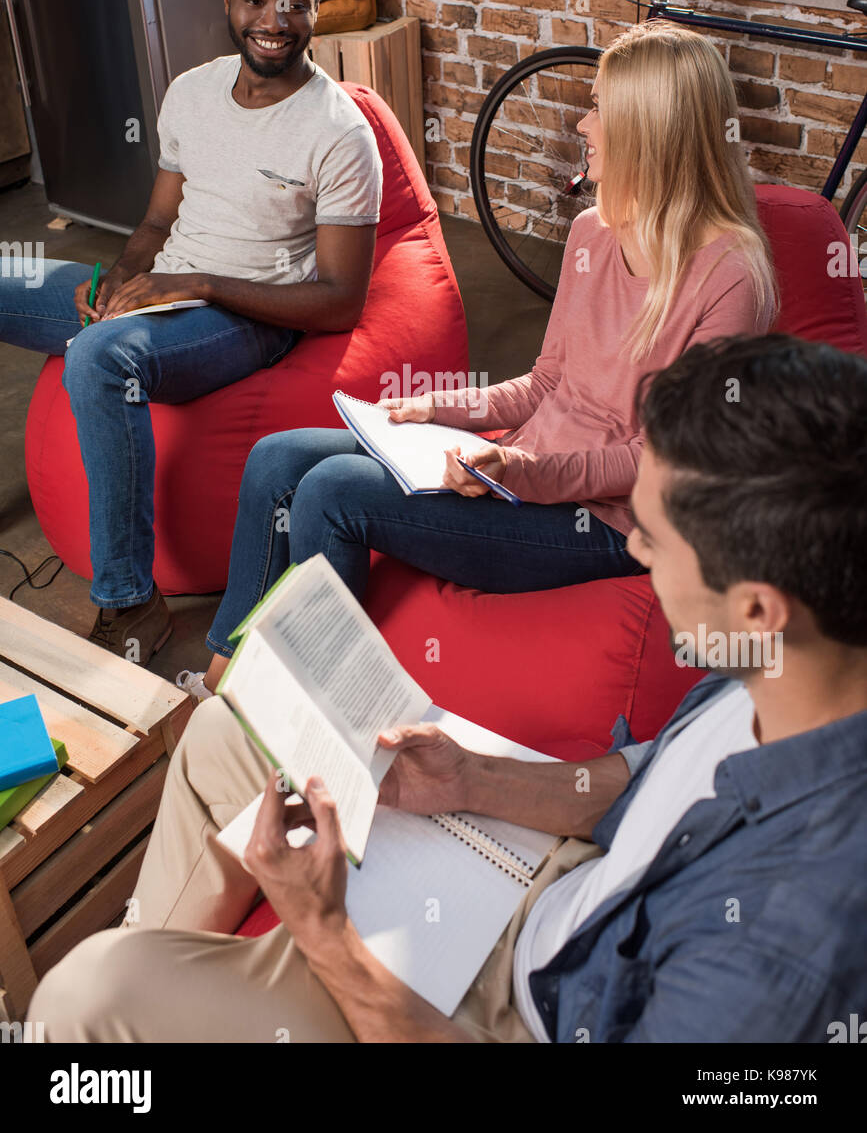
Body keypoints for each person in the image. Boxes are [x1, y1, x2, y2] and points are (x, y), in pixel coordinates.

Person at [29, 333, 867, 1042]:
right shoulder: (771, 671)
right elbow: (641, 782)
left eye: (653, 537)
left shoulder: (776, 947)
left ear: (759, 605)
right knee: (228, 734)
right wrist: (470, 778)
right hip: (556, 885)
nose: (637, 556)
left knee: (82, 995)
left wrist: (324, 933)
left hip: (517, 1009)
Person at [199, 20, 777, 692]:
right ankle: (221, 677)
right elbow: (546, 383)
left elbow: (661, 464)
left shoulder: (730, 276)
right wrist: (434, 409)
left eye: (598, 108)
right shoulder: (594, 231)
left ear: (650, 134)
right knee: (278, 456)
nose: (582, 125)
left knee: (329, 492)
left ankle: (326, 709)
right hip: (521, 471)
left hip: (606, 524)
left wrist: (521, 471)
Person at [0, 0, 382, 663]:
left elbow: (341, 299)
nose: (276, 18)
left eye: (296, 1)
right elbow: (153, 222)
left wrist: (197, 280)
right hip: (165, 289)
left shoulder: (339, 132)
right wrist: (120, 278)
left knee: (100, 359)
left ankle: (128, 602)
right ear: (227, 1)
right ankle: (111, 319)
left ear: (315, 9)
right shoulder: (191, 92)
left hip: (247, 313)